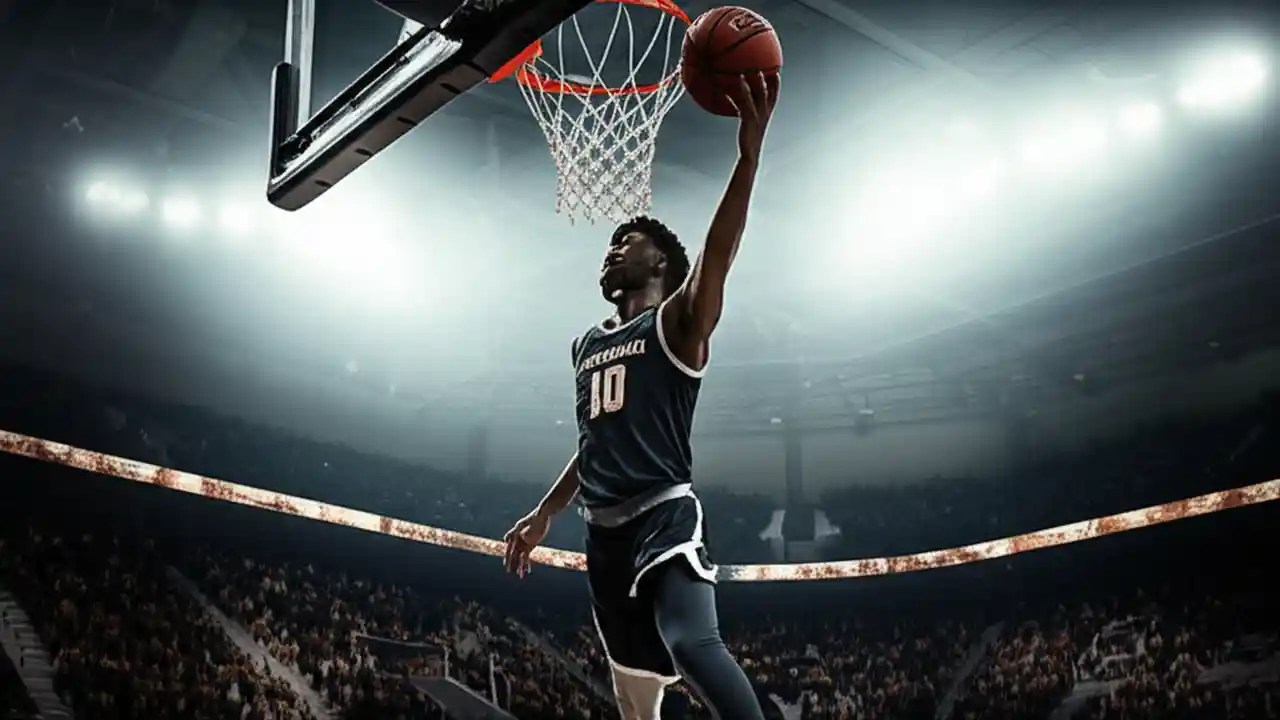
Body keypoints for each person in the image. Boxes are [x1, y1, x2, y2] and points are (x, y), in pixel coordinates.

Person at [502, 71, 779, 720]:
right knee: (636, 700)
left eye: (624, 243)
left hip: (662, 514)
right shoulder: (585, 345)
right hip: (602, 536)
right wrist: (545, 512)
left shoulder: (679, 323)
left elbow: (717, 254)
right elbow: (593, 444)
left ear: (658, 266)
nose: (611, 249)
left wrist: (747, 158)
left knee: (691, 641)